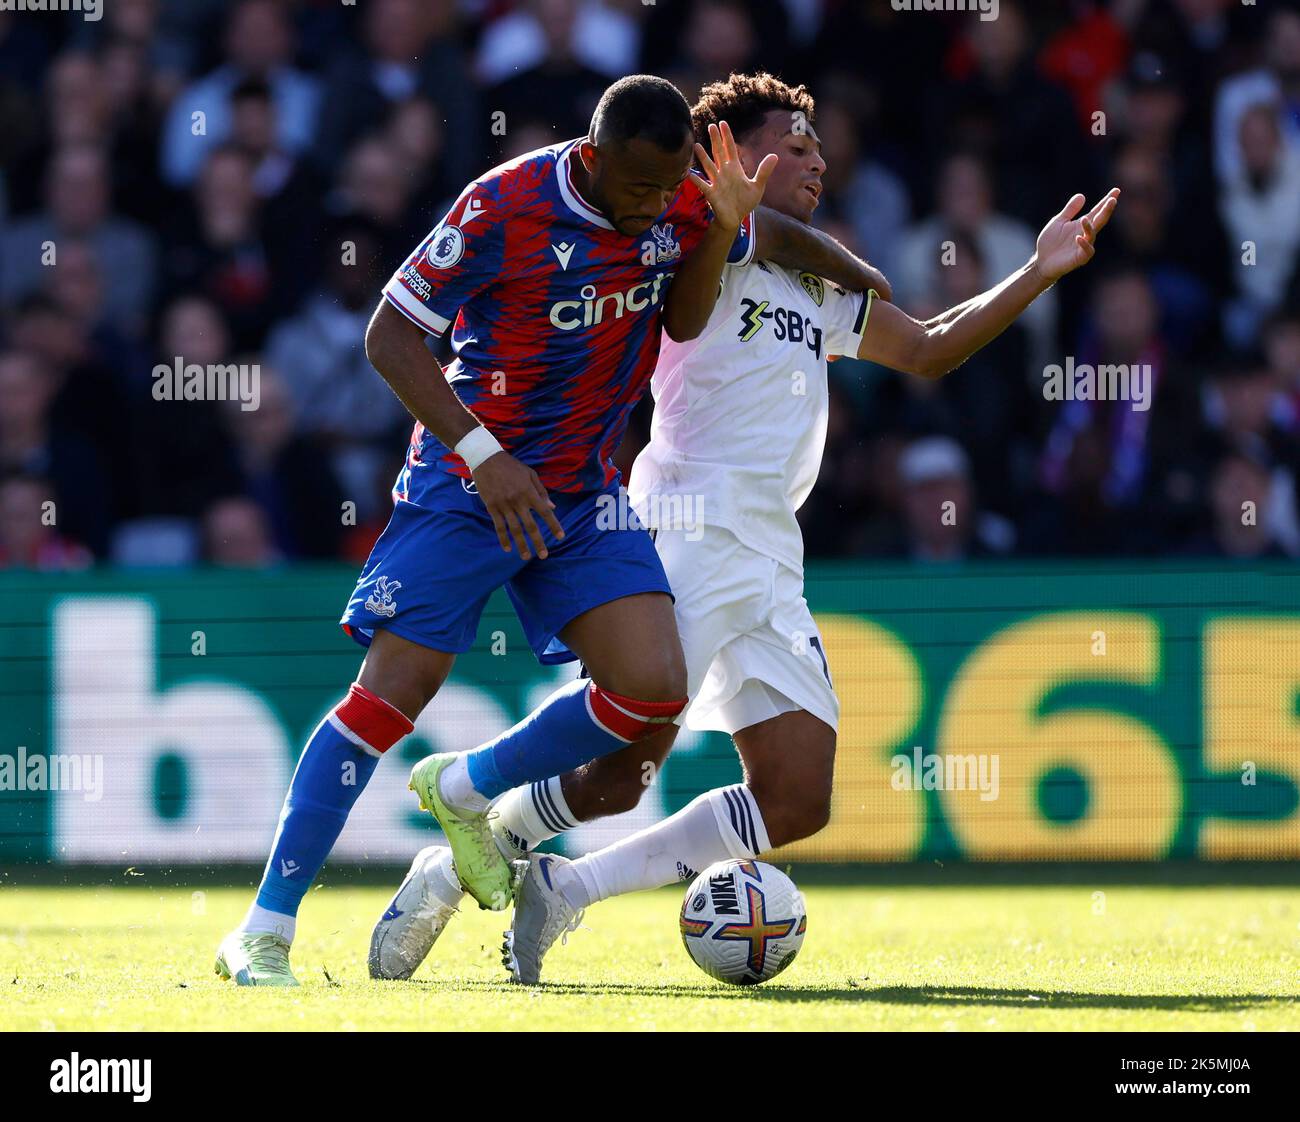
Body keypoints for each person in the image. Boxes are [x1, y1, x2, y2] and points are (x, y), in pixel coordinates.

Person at [368, 71, 1119, 986]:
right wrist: (728, 222)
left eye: (818, 146)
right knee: (618, 767)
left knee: (797, 798)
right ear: (724, 156)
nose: (816, 159)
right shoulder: (691, 247)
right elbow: (685, 315)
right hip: (690, 515)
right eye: (793, 145)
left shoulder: (808, 281)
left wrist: (1038, 271)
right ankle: (450, 858)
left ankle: (563, 888)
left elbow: (927, 347)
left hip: (771, 542)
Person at [215, 73, 889, 986]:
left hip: (580, 493)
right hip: (469, 480)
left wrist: (842, 264)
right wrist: (486, 455)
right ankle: (264, 930)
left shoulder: (683, 204)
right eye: (641, 189)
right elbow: (391, 336)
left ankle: (463, 788)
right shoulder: (506, 202)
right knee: (385, 699)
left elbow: (700, 298)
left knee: (653, 689)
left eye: (668, 192)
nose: (655, 209)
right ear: (596, 156)